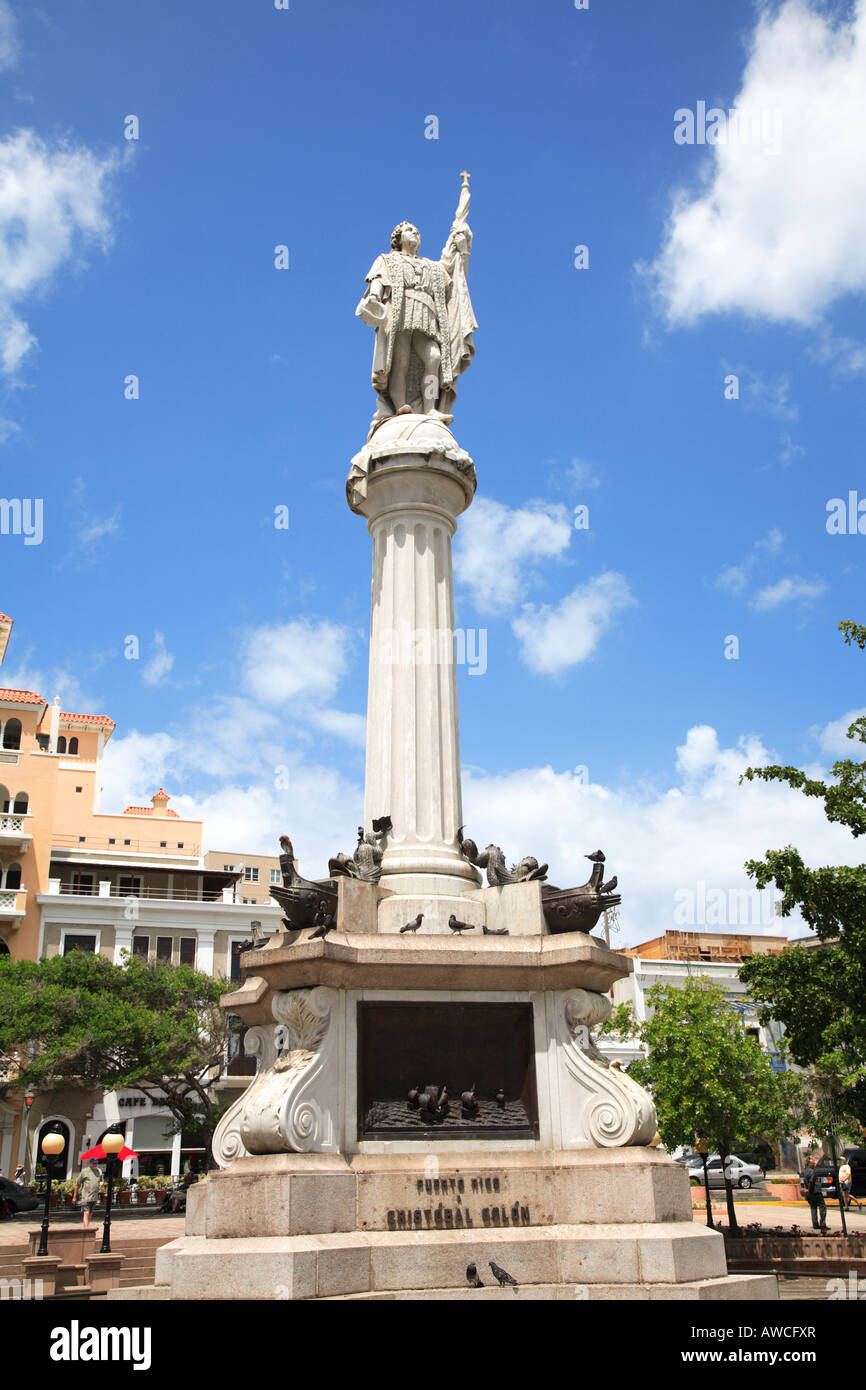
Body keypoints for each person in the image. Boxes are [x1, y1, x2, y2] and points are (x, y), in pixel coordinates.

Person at [72, 1159, 102, 1228]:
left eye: (96, 1163)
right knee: (86, 1212)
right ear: (90, 1163)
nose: (95, 1165)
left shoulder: (98, 1171)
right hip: (86, 1196)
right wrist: (74, 1197)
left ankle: (87, 1227)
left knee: (90, 1213)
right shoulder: (84, 1172)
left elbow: (101, 1180)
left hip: (94, 1196)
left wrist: (101, 1183)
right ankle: (86, 1229)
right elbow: (77, 1184)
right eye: (94, 1163)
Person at [800, 1157, 827, 1232]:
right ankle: (822, 1224)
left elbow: (805, 1181)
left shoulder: (805, 1171)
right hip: (816, 1191)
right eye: (813, 1162)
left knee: (813, 1207)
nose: (814, 1163)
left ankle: (815, 1224)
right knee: (822, 1206)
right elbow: (811, 1182)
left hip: (810, 1193)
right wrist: (809, 1189)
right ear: (809, 1164)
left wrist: (807, 1191)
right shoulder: (812, 1171)